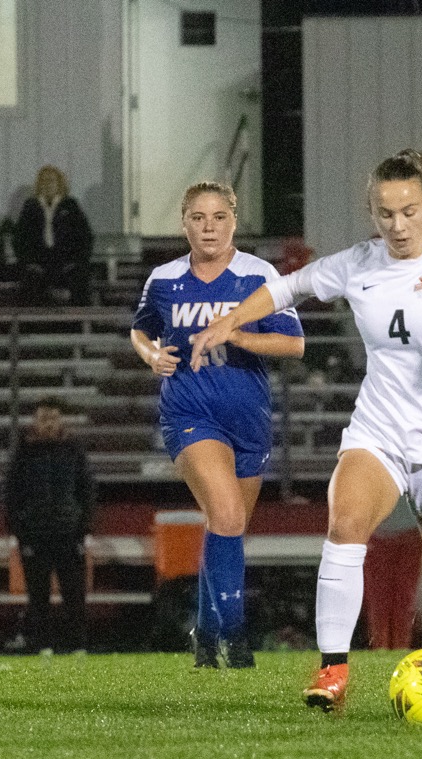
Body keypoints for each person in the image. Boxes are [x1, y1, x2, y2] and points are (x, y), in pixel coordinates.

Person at [189, 143, 422, 713]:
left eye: (409, 211)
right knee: (346, 526)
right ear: (373, 213)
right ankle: (333, 669)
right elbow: (288, 288)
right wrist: (230, 319)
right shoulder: (358, 263)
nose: (398, 224)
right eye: (385, 213)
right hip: (378, 431)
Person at [130, 180, 305, 669]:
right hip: (190, 413)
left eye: (219, 218)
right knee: (226, 517)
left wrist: (237, 334)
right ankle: (234, 635)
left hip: (248, 420)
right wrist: (150, 354)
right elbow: (141, 327)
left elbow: (294, 344)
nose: (209, 228)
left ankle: (205, 634)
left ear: (234, 220)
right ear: (184, 222)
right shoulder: (163, 279)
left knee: (228, 526)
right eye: (198, 218)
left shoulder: (258, 275)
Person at [3, 397, 96, 653]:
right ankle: (42, 646)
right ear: (35, 421)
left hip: (69, 534)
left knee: (74, 596)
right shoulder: (23, 453)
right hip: (35, 536)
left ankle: (78, 647)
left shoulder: (74, 450)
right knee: (38, 597)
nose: (48, 424)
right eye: (43, 418)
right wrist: (20, 532)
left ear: (60, 420)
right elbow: (10, 494)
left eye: (53, 418)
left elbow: (87, 490)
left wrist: (83, 528)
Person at [13, 165, 95, 307]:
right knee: (30, 283)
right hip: (38, 261)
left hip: (66, 261)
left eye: (51, 181)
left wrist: (75, 261)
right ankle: (33, 326)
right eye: (44, 181)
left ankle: (79, 325)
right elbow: (20, 239)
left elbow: (85, 238)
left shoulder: (71, 206)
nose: (48, 185)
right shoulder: (30, 207)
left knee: (79, 280)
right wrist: (29, 262)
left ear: (59, 184)